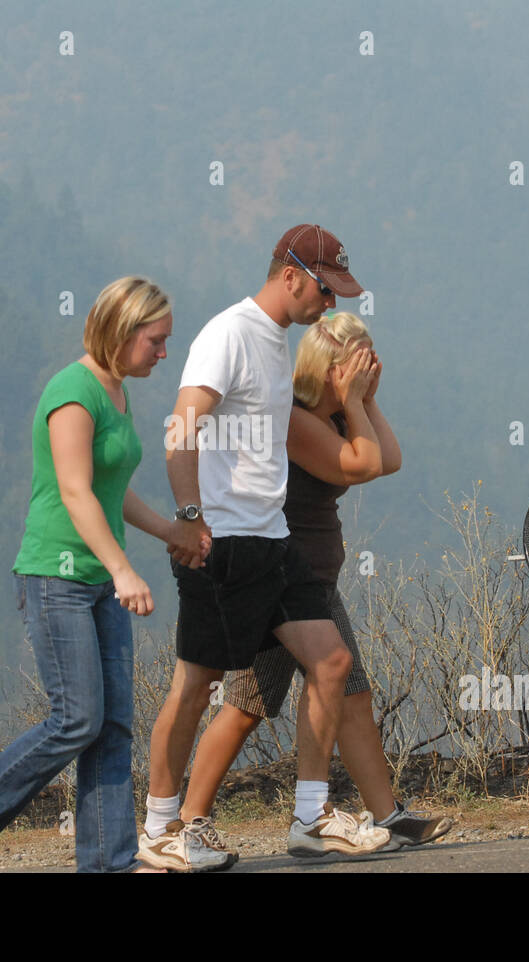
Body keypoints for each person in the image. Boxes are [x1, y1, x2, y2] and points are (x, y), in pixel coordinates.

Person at [136, 225, 392, 872]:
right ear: (290, 275)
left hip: (272, 539)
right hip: (222, 543)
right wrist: (190, 517)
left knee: (330, 663)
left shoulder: (276, 343)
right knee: (197, 688)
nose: (329, 305)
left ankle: (310, 819)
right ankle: (162, 828)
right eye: (324, 290)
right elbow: (179, 429)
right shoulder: (228, 334)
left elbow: (363, 460)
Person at [0, 276, 194, 873]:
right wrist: (124, 569)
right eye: (156, 341)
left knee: (111, 726)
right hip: (56, 580)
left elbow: (111, 489)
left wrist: (168, 531)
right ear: (123, 331)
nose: (163, 354)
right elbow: (77, 493)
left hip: (99, 580)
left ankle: (109, 860)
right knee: (76, 716)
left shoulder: (116, 390)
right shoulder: (72, 392)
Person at [182, 312, 455, 852]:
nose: (370, 370)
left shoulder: (334, 415)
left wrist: (364, 401)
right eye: (360, 363)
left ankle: (387, 814)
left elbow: (390, 460)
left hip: (314, 584)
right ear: (331, 368)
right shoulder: (298, 419)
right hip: (283, 585)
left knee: (351, 693)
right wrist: (356, 404)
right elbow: (361, 465)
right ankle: (193, 819)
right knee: (246, 706)